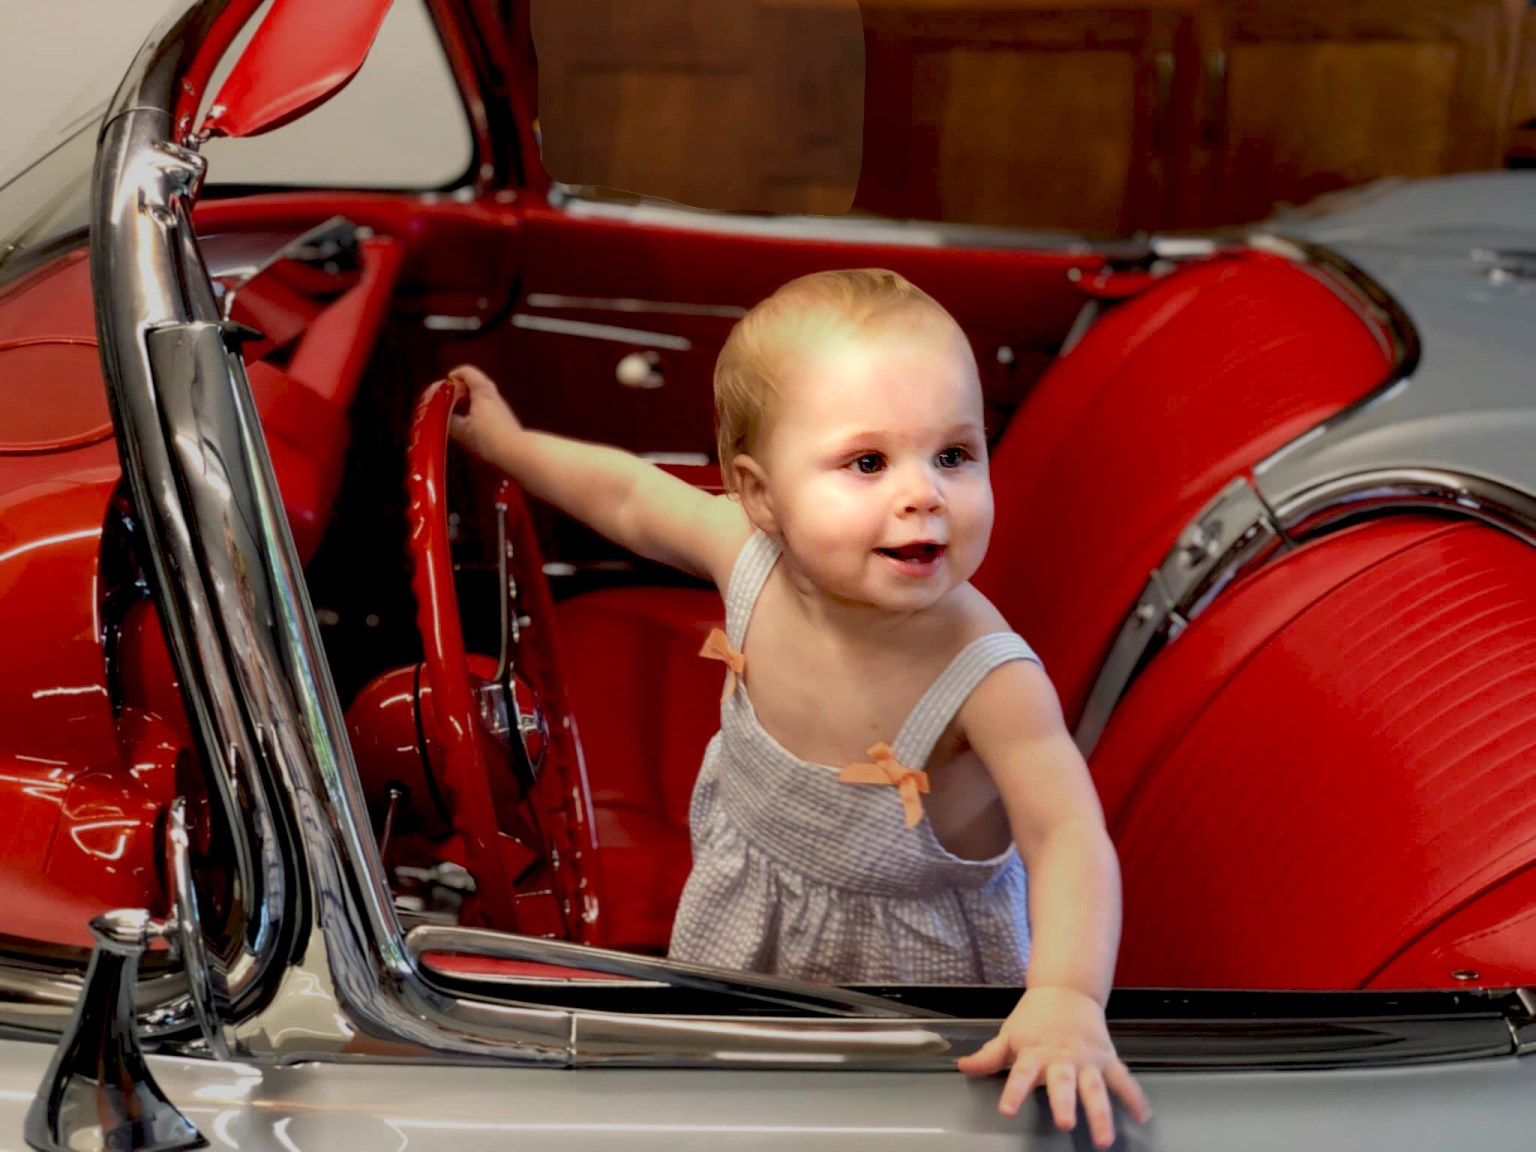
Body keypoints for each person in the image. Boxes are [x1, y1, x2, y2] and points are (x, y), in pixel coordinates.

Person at [447, 268, 1149, 1147]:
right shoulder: (744, 553)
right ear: (760, 495)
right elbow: (627, 495)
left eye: (955, 455)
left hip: (911, 983)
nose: (923, 492)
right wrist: (508, 444)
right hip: (751, 903)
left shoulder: (988, 677)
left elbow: (1069, 837)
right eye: (868, 462)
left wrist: (1066, 998)